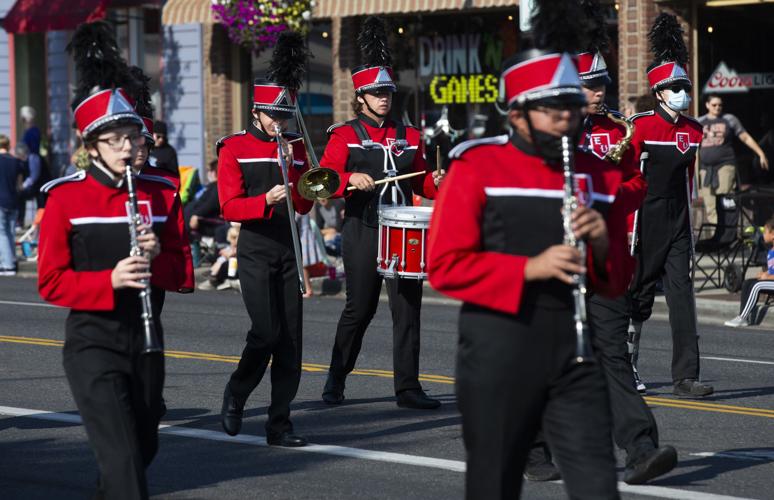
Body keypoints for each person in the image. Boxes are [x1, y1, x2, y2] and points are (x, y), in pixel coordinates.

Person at [428, 2, 631, 496]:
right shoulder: (478, 168)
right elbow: (444, 266)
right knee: (494, 484)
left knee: (598, 485)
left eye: (572, 106)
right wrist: (528, 268)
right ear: (517, 113)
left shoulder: (599, 174)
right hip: (499, 347)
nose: (567, 119)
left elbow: (616, 281)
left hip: (574, 350)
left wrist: (602, 241)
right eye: (552, 109)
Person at [37, 21, 190, 499]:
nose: (127, 147)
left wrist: (155, 255)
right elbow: (50, 282)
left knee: (141, 450)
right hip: (93, 341)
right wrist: (110, 279)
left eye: (132, 137)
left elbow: (182, 272)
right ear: (90, 147)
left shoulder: (160, 195)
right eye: (113, 139)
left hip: (145, 339)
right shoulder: (65, 200)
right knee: (124, 464)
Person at [574, 0, 677, 484]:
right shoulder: (549, 134)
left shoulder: (618, 128)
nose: (598, 92)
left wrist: (615, 195)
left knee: (612, 354)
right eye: (589, 85)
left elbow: (638, 183)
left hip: (605, 256)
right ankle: (534, 448)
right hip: (558, 260)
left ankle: (641, 449)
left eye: (601, 84)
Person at [319, 17, 444, 410]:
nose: (384, 98)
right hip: (363, 227)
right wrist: (348, 179)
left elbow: (423, 184)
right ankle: (337, 376)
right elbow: (323, 182)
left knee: (408, 310)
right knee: (360, 308)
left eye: (387, 91)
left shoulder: (410, 136)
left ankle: (408, 388)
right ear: (361, 97)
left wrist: (437, 181)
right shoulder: (343, 135)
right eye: (376, 93)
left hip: (403, 228)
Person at [218, 32, 313, 447]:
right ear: (256, 113)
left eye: (285, 117)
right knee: (265, 332)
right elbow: (229, 207)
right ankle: (237, 391)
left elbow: (305, 205)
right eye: (274, 116)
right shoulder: (233, 148)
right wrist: (264, 200)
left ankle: (280, 423)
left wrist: (294, 171)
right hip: (255, 248)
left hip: (289, 246)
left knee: (291, 341)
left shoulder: (295, 147)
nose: (280, 124)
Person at [627, 13, 713, 398]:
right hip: (647, 214)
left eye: (686, 87)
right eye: (675, 87)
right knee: (641, 292)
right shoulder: (641, 126)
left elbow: (689, 175)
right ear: (659, 92)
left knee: (682, 295)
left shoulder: (694, 130)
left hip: (677, 214)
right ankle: (627, 363)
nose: (683, 93)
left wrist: (691, 214)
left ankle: (686, 376)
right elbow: (629, 174)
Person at [698, 93, 769, 224]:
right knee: (710, 203)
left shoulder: (729, 119)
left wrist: (760, 153)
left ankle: (727, 231)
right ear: (707, 105)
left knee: (726, 200)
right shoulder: (699, 122)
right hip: (706, 169)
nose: (717, 107)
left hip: (725, 165)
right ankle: (716, 232)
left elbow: (745, 137)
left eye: (720, 105)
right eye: (714, 105)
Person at [725, 216, 774, 327]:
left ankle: (742, 317)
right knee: (748, 283)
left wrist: (767, 277)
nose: (763, 235)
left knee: (757, 286)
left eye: (765, 232)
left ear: (773, 234)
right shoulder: (771, 251)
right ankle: (743, 316)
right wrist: (765, 274)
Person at [0, 135, 24, 275]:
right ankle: (12, 261)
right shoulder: (16, 161)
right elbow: (19, 185)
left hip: (0, 200)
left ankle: (7, 265)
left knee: (2, 233)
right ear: (8, 145)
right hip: (13, 201)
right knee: (10, 233)